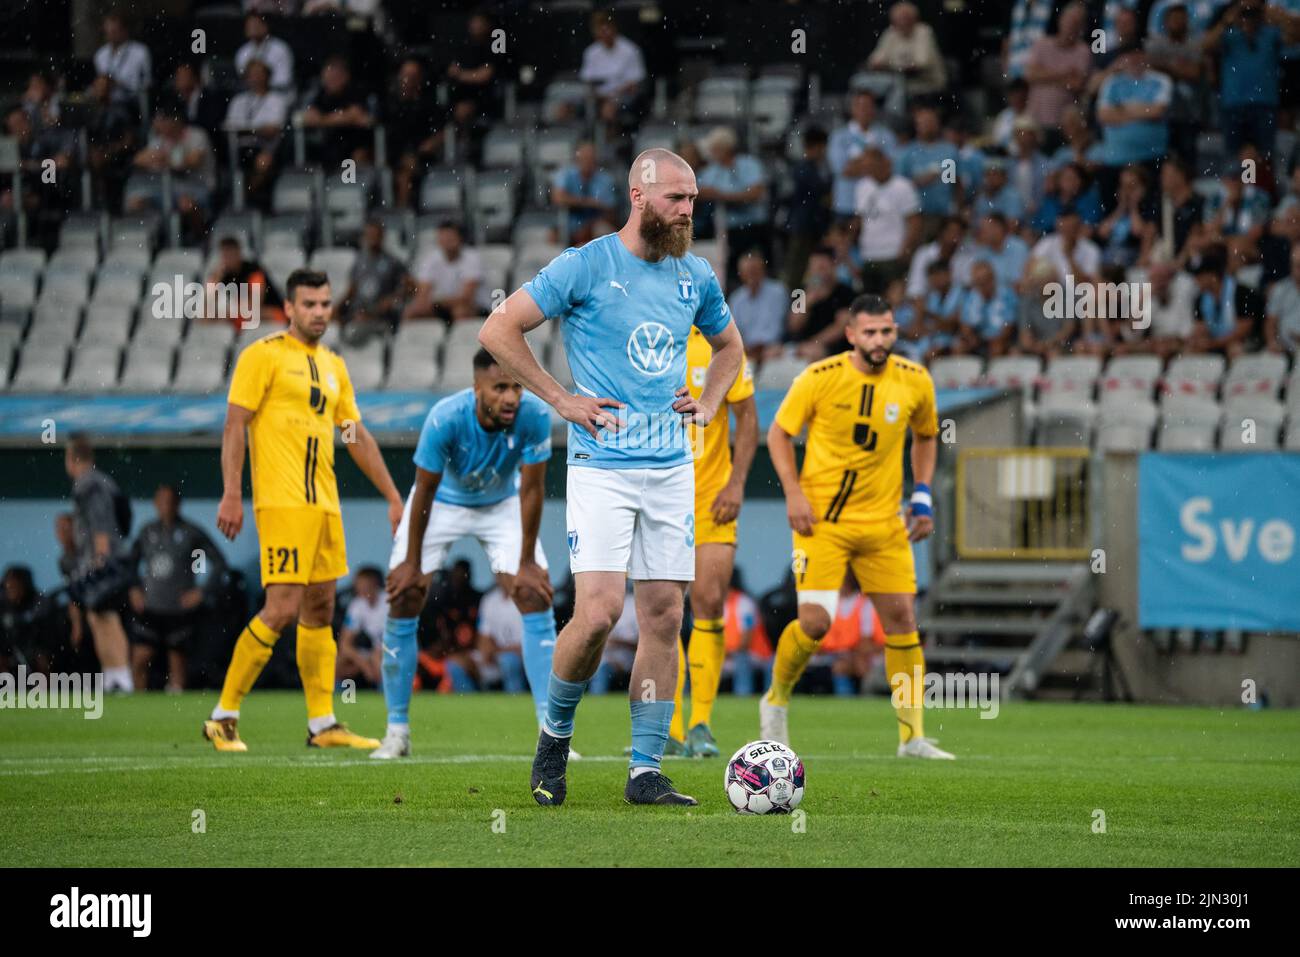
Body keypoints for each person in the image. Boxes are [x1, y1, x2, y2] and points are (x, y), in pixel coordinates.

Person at [479, 147, 745, 807]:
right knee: (597, 614)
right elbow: (499, 328)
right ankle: (553, 738)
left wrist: (710, 403)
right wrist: (560, 398)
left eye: (693, 200)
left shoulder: (695, 275)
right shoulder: (588, 263)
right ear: (638, 195)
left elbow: (733, 348)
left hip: (672, 469)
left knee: (664, 614)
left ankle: (645, 770)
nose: (688, 211)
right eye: (675, 199)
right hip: (602, 467)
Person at [205, 269, 404, 752]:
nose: (319, 312)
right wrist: (232, 492)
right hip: (282, 502)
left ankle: (322, 724)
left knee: (320, 608)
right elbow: (235, 425)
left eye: (325, 303)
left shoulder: (335, 365)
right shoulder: (263, 355)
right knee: (282, 609)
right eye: (309, 304)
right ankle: (222, 716)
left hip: (324, 504)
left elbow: (354, 435)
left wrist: (393, 495)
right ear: (289, 308)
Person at [763, 294, 953, 759]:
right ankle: (776, 700)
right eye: (869, 332)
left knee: (904, 621)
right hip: (822, 521)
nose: (880, 340)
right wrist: (793, 492)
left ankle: (912, 737)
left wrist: (922, 496)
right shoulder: (820, 378)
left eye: (887, 331)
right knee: (814, 624)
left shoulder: (914, 380)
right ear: (850, 335)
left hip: (884, 523)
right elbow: (778, 434)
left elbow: (926, 436)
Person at [374, 348, 559, 759]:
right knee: (403, 597)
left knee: (534, 594)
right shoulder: (445, 417)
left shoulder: (534, 416)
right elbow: (423, 492)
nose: (510, 397)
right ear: (477, 389)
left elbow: (531, 490)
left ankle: (552, 735)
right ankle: (397, 731)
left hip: (501, 504)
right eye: (499, 388)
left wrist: (528, 561)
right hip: (442, 504)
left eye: (516, 387)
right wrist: (410, 562)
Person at [667, 323, 758, 757]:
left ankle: (701, 722)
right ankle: (672, 729)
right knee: (664, 613)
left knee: (707, 601)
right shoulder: (643, 339)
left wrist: (737, 484)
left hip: (711, 498)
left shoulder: (721, 345)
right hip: (659, 497)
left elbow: (749, 418)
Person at [127, 484, 227, 692]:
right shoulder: (147, 532)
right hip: (150, 608)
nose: (165, 506)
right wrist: (134, 588)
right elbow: (129, 564)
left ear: (178, 504)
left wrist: (202, 591)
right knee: (139, 659)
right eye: (161, 501)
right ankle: (136, 707)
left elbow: (219, 562)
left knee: (177, 663)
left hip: (178, 610)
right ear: (155, 504)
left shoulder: (191, 533)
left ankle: (176, 707)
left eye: (170, 501)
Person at [64, 435, 135, 693]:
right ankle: (113, 674)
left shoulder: (89, 483)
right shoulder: (104, 480)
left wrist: (100, 559)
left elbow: (101, 521)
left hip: (103, 560)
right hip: (106, 558)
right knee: (97, 615)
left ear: (72, 458)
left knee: (106, 616)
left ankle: (121, 675)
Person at [403, 220, 486, 321]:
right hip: (441, 305)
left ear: (460, 238)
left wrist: (438, 302)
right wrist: (423, 304)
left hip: (474, 306)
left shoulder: (472, 258)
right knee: (412, 311)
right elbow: (423, 292)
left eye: (450, 237)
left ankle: (464, 336)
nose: (446, 241)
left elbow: (467, 297)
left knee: (460, 311)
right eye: (443, 237)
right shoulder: (431, 258)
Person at [551, 141, 619, 245]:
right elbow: (557, 198)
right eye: (584, 158)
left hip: (594, 228)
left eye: (591, 158)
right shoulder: (567, 173)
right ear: (576, 159)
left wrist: (588, 227)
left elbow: (610, 210)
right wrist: (587, 202)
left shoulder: (605, 179)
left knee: (604, 231)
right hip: (568, 228)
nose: (587, 161)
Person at [0, 566, 59, 676]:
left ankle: (48, 691)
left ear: (24, 585)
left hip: (35, 649)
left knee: (43, 660)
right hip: (10, 650)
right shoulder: (2, 606)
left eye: (15, 586)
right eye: (9, 586)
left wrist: (40, 651)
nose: (12, 589)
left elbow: (47, 634)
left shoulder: (39, 603)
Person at [338, 567, 386, 689]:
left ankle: (386, 697)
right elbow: (345, 644)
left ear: (374, 584)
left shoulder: (389, 602)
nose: (358, 587)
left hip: (390, 651)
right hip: (369, 652)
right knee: (339, 662)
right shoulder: (357, 605)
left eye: (362, 584)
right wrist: (363, 663)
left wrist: (373, 658)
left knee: (378, 660)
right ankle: (344, 699)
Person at [93, 11, 152, 101]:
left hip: (131, 102)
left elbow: (147, 84)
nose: (111, 35)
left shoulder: (140, 52)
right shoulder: (100, 55)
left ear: (124, 30)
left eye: (114, 31)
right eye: (108, 31)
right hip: (107, 103)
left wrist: (119, 84)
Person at [235, 13, 295, 92]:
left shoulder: (280, 49)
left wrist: (262, 83)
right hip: (250, 94)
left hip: (278, 93)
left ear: (265, 26)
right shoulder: (243, 52)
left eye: (256, 24)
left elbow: (284, 80)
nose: (253, 28)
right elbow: (242, 80)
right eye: (250, 25)